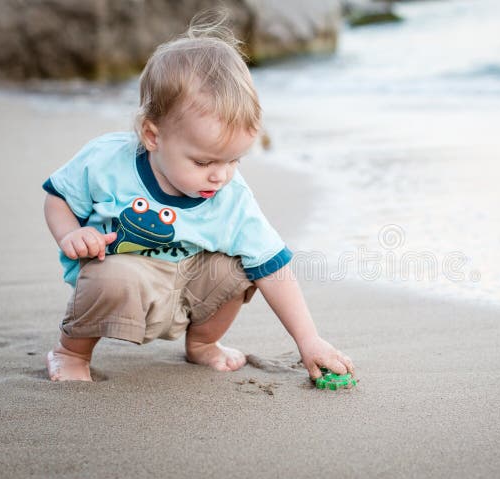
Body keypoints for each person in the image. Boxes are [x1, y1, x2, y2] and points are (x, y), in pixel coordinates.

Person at [41, 17, 354, 382]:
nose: (219, 175)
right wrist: (69, 235)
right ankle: (70, 351)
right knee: (112, 276)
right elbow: (58, 197)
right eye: (203, 161)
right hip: (123, 280)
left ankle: (203, 343)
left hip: (189, 288)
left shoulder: (231, 197)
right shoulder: (107, 161)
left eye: (234, 160)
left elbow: (274, 267)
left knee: (244, 268)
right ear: (152, 136)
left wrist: (309, 340)